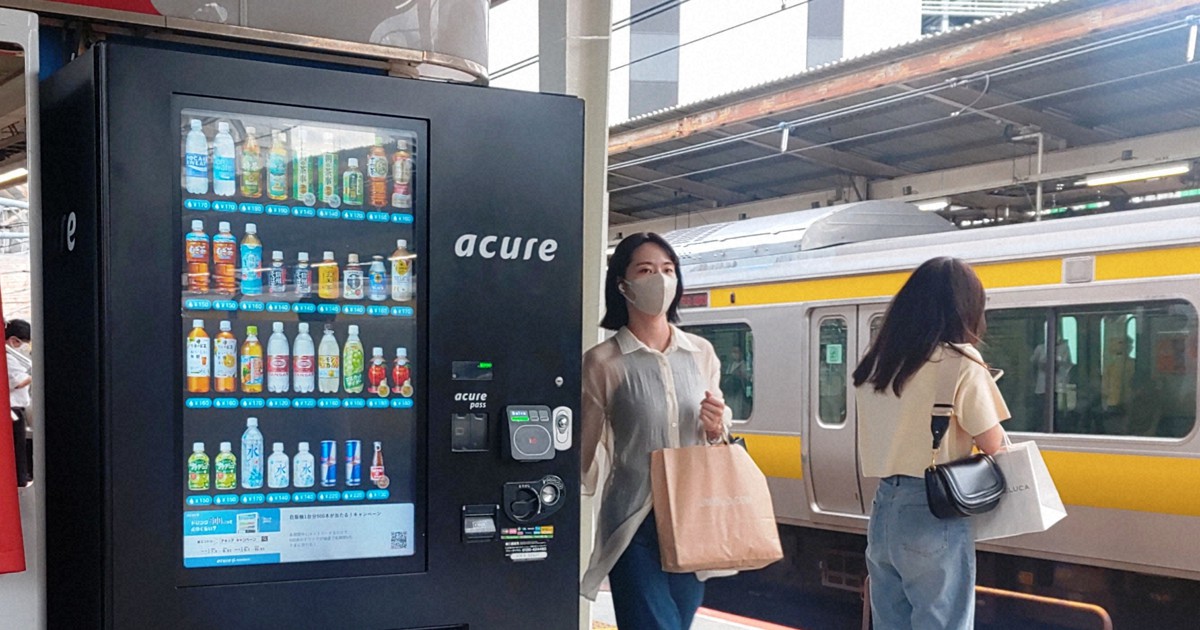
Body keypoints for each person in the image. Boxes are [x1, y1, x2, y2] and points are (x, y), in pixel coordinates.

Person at [579, 232, 731, 629]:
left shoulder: (702, 354)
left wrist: (717, 428)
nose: (660, 280)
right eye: (645, 270)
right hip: (634, 521)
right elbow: (585, 451)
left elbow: (716, 438)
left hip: (692, 514)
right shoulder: (602, 362)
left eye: (668, 270)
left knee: (679, 621)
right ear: (622, 284)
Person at [852, 257, 1009, 630]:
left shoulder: (877, 365)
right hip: (933, 511)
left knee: (892, 622)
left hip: (884, 508)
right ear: (966, 308)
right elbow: (994, 445)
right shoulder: (961, 364)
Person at [5, 319, 31, 412]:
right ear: (13, 340)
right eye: (26, 343)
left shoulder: (14, 357)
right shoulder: (7, 358)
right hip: (13, 408)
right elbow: (19, 382)